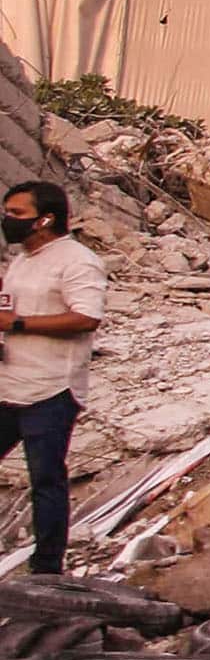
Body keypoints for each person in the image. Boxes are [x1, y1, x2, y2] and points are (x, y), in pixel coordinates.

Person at [0, 180, 106, 579]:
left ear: (45, 219)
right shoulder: (24, 258)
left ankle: (46, 571)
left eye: (17, 214)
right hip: (9, 385)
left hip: (50, 390)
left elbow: (86, 317)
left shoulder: (77, 261)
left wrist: (19, 324)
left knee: (45, 480)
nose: (9, 220)